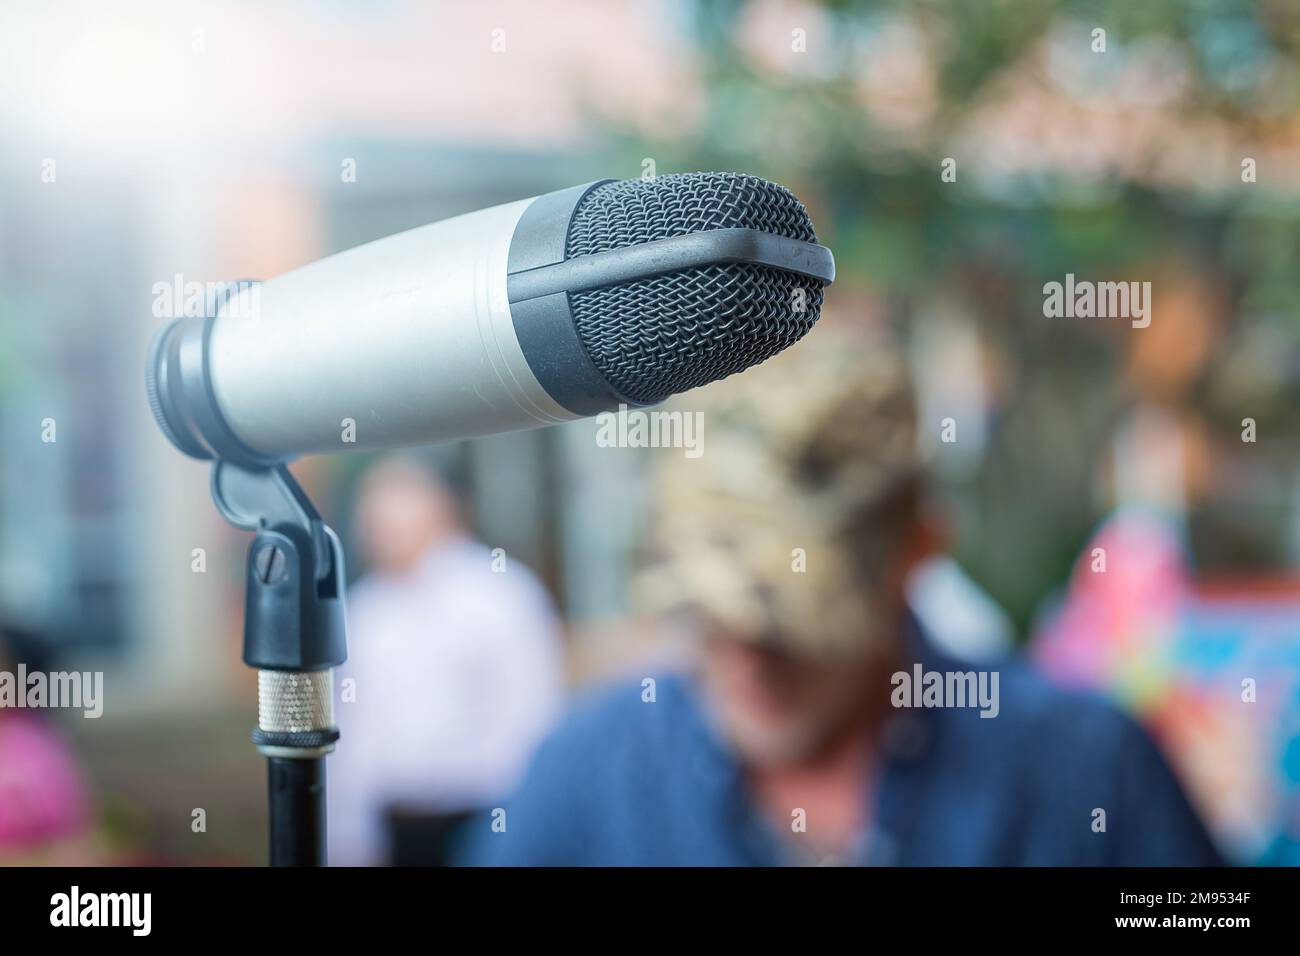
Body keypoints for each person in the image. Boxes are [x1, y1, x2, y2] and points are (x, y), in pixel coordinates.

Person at [458, 331, 1223, 866]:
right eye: (708, 608)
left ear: (917, 550)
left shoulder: (1086, 773)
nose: (748, 652)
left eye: (792, 611)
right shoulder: (587, 780)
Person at [328, 456, 564, 866]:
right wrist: (348, 836)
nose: (376, 531)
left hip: (482, 816)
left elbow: (530, 717)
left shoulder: (500, 596)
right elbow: (353, 732)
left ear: (440, 510)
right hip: (396, 826)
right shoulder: (364, 611)